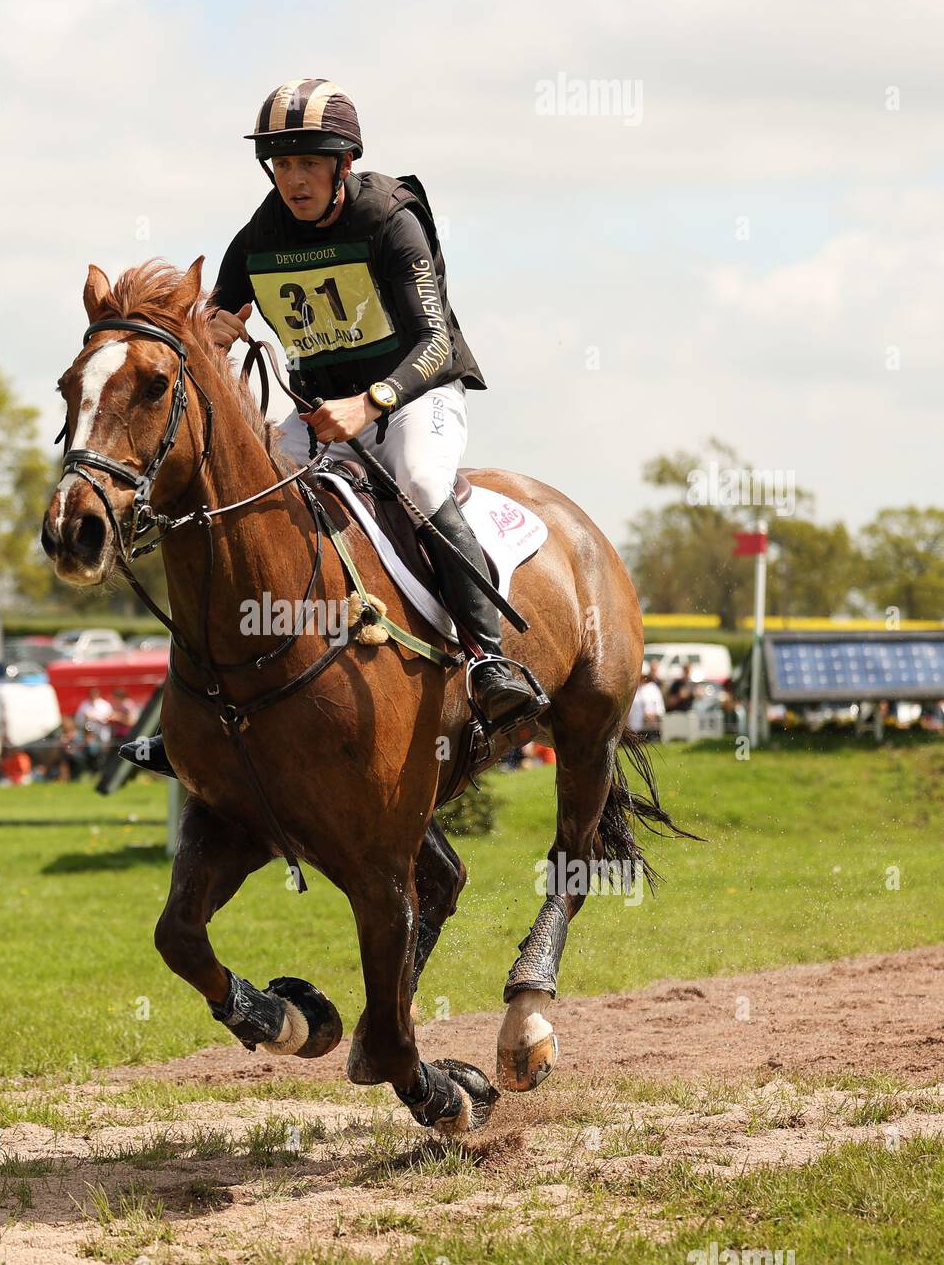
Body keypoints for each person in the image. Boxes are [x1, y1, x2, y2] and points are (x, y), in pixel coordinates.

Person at [121, 77, 546, 778]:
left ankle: (491, 661)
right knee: (231, 508)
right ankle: (195, 711)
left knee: (419, 479)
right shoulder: (258, 238)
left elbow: (435, 343)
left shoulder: (389, 221)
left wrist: (371, 401)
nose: (294, 179)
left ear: (343, 164)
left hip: (415, 398)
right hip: (321, 416)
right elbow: (213, 329)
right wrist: (214, 333)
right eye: (282, 165)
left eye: (308, 163)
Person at [627, 666, 665, 740]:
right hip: (634, 729)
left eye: (644, 677)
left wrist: (653, 715)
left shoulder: (653, 688)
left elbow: (660, 708)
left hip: (650, 728)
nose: (642, 679)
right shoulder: (631, 689)